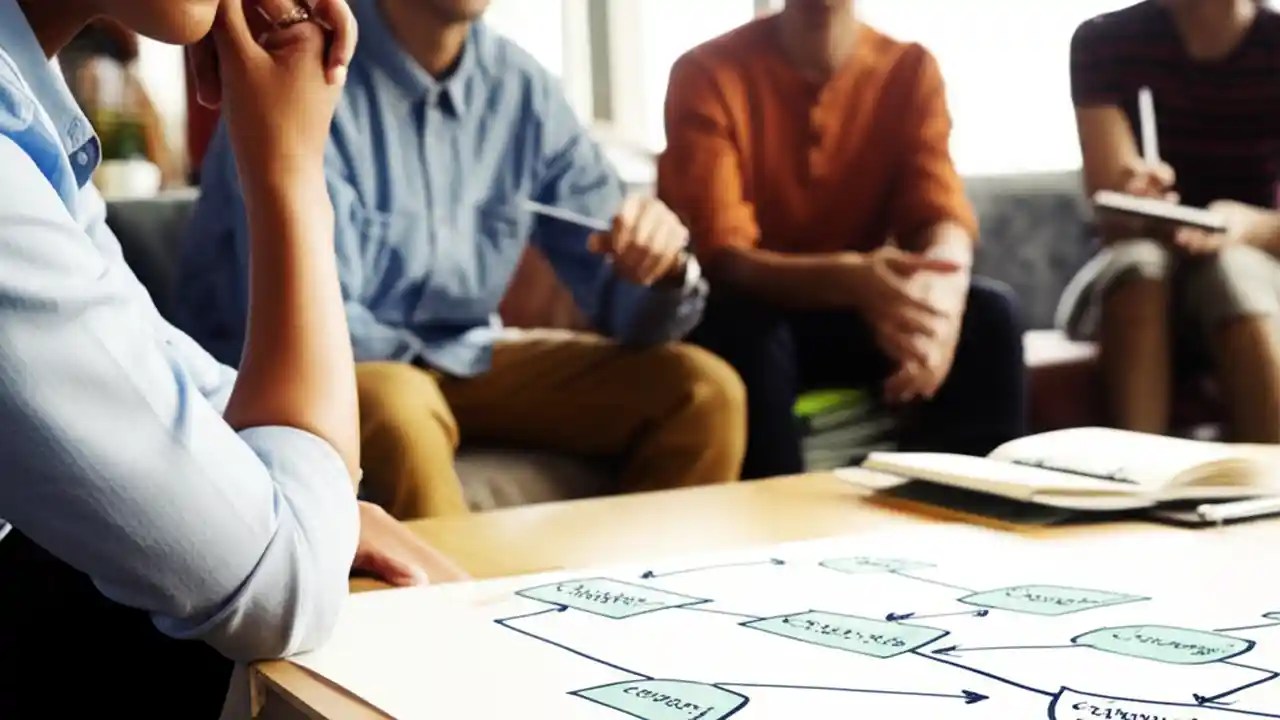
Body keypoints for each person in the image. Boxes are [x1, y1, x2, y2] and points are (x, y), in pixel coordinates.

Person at [0, 0, 464, 716]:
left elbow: (156, 369)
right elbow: (280, 586)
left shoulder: (28, 123)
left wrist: (308, 507)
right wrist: (288, 170)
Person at [180, 0, 747, 520]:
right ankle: (461, 622)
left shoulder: (522, 89)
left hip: (463, 357)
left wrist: (662, 265)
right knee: (403, 406)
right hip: (325, 370)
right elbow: (298, 327)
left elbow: (624, 298)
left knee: (703, 392)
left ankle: (628, 608)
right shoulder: (301, 69)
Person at [659, 0, 1028, 479]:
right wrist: (853, 279)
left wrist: (942, 300)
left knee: (991, 315)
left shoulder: (909, 69)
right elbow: (723, 258)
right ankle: (777, 529)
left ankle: (982, 516)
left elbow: (939, 212)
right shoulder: (706, 72)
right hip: (750, 312)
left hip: (860, 313)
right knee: (750, 334)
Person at [1062, 0, 1280, 442]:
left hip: (1248, 262)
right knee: (1140, 265)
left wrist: (1245, 227)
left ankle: (1271, 492)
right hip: (1136, 262)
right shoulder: (1103, 41)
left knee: (1232, 271)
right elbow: (1112, 215)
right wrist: (1135, 195)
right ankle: (1135, 487)